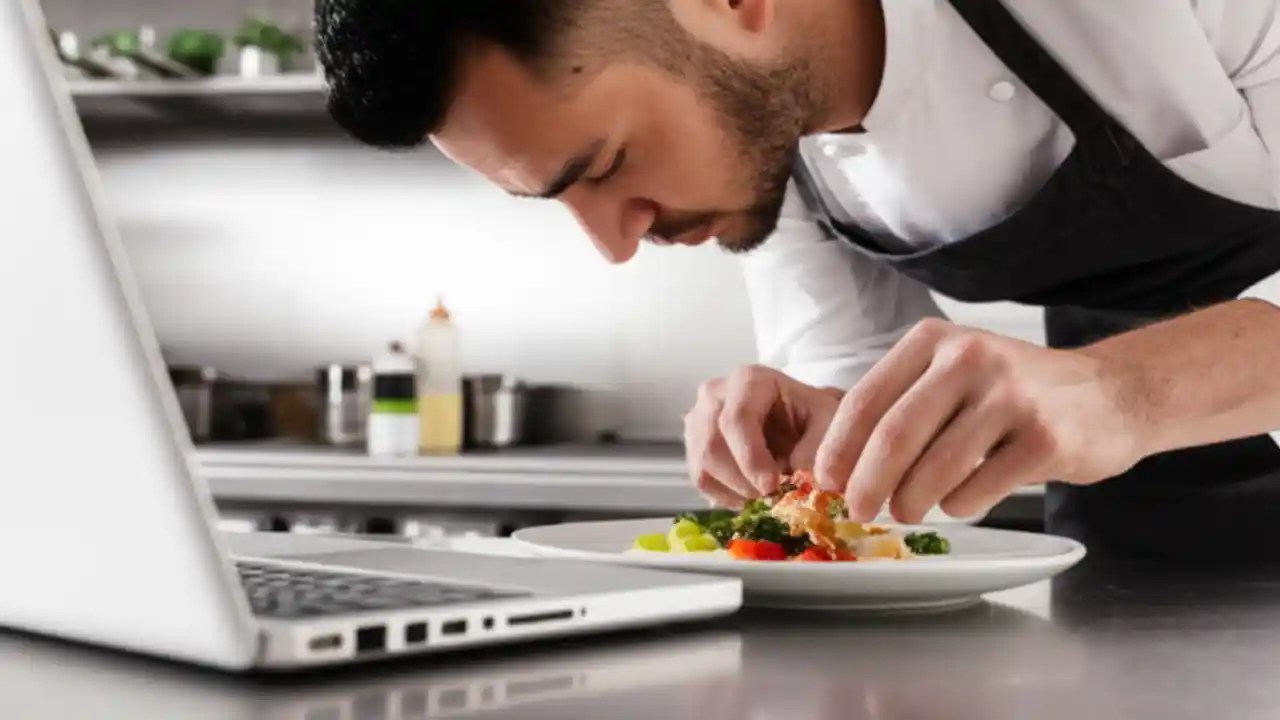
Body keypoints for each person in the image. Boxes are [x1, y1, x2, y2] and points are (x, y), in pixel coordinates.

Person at [314, 0, 1280, 560]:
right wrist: (833, 432)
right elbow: (860, 381)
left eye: (604, 164)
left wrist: (1124, 393)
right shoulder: (768, 138)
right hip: (1141, 552)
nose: (612, 246)